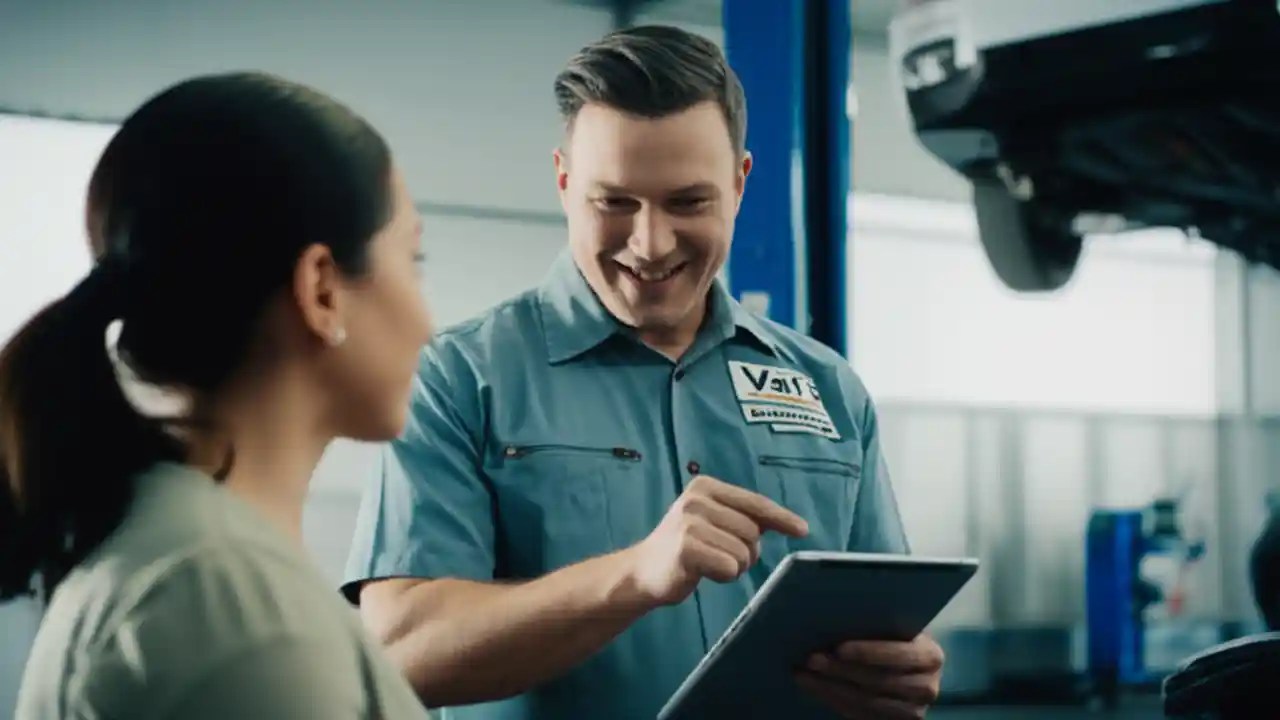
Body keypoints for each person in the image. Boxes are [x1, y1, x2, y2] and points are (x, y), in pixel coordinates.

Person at [344, 25, 944, 720]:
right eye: (615, 202)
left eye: (688, 202)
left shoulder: (828, 388)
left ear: (740, 183)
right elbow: (401, 653)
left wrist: (896, 674)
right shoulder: (458, 379)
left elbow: (881, 626)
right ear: (565, 182)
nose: (650, 243)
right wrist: (634, 575)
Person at [1, 71, 434, 719]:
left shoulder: (196, 569)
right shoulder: (227, 601)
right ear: (321, 289)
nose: (429, 321)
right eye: (412, 259)